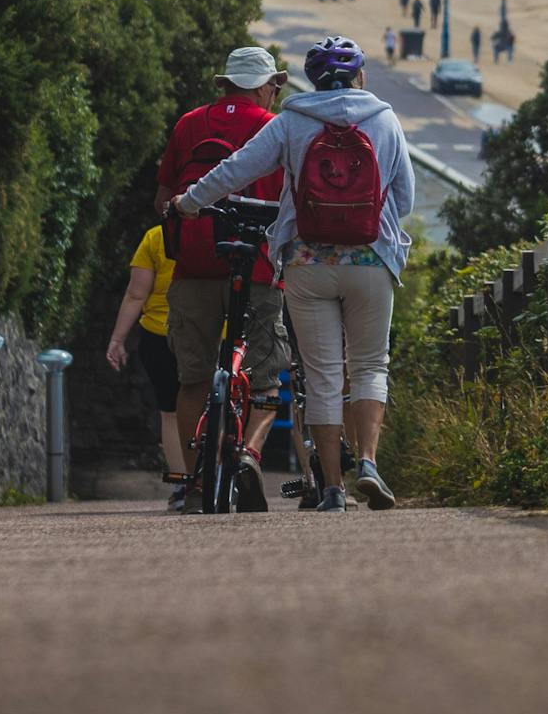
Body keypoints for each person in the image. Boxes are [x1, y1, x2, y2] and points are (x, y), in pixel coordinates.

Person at [174, 38, 413, 514]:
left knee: (322, 376)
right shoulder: (385, 120)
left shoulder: (292, 121)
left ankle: (331, 489)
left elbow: (236, 169)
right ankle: (367, 461)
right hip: (370, 261)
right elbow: (403, 198)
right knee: (369, 366)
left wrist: (189, 202)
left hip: (307, 264)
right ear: (359, 76)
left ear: (310, 79)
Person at [155, 46, 288, 511]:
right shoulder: (273, 128)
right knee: (266, 378)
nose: (276, 93)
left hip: (192, 269)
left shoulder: (189, 123)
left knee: (192, 378)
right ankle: (250, 453)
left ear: (227, 82)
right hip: (256, 269)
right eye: (276, 84)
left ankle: (194, 482)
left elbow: (164, 201)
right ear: (263, 85)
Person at [104, 223, 188, 508]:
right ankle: (213, 479)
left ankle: (181, 486)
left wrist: (117, 339)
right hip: (210, 333)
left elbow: (136, 294)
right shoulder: (225, 228)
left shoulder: (157, 236)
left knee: (171, 413)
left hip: (159, 334)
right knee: (212, 408)